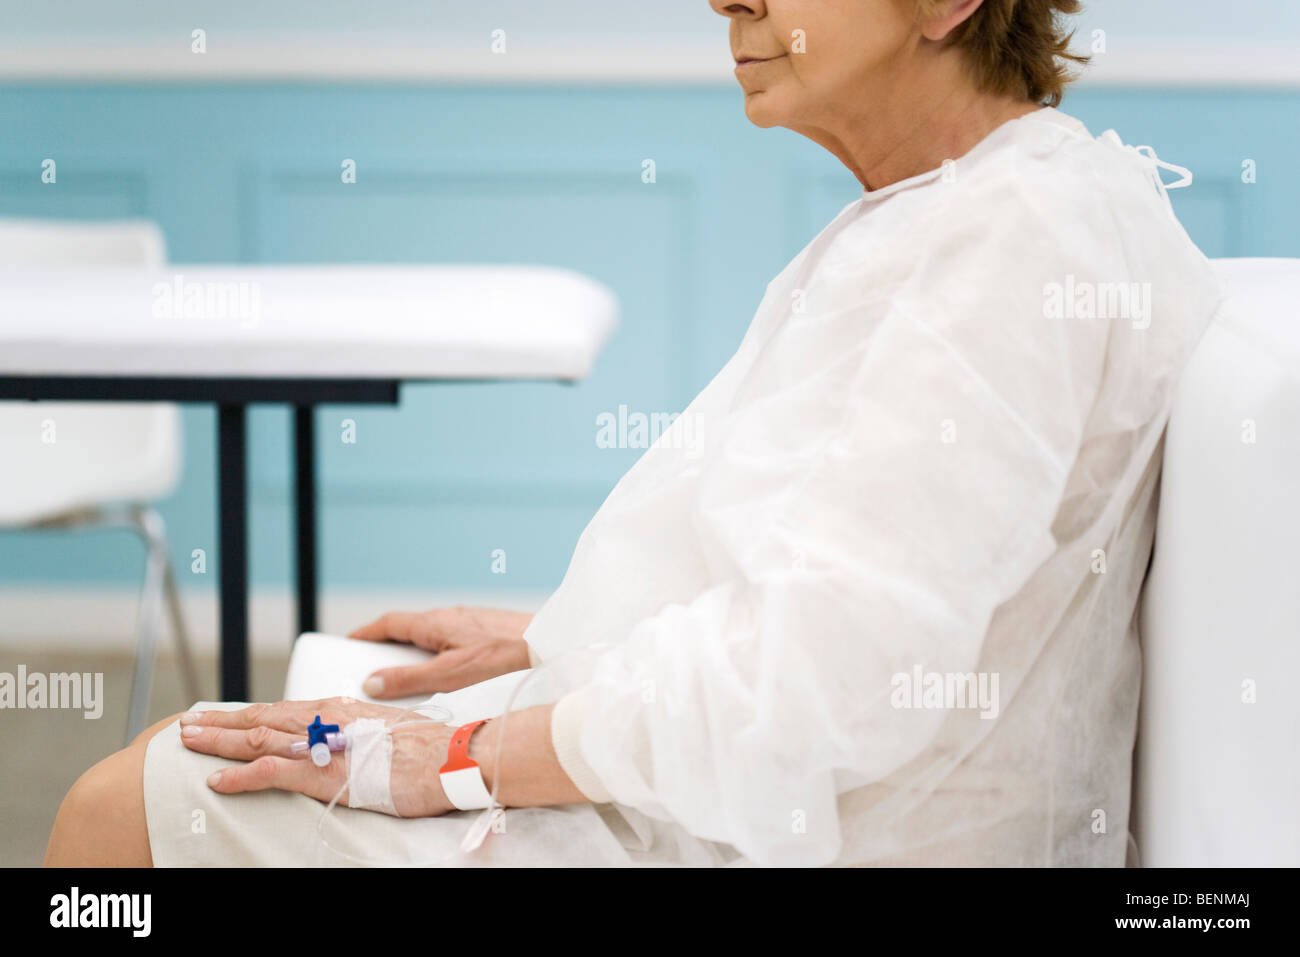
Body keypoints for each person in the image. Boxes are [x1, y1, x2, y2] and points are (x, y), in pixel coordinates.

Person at [45, 0, 1221, 867]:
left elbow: (821, 685)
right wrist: (556, 639)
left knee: (122, 814)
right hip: (757, 808)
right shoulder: (992, 211)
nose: (729, 2)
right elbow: (841, 600)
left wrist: (448, 760)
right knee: (191, 765)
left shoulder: (1013, 247)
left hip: (770, 840)